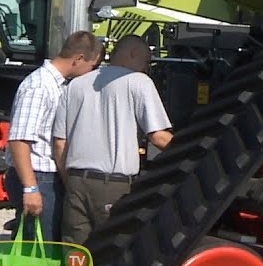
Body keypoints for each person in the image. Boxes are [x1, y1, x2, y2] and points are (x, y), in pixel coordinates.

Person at [53, 34, 173, 246]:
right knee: (112, 253)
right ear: (133, 53)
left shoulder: (75, 85)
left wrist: (69, 181)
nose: (146, 68)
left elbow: (60, 143)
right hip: (113, 185)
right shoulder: (139, 82)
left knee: (76, 255)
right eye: (146, 61)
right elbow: (158, 137)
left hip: (76, 182)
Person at [4, 31, 104, 242]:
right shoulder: (40, 86)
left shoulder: (56, 85)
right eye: (92, 67)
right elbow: (19, 139)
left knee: (46, 242)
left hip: (45, 177)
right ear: (78, 59)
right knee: (41, 247)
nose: (91, 73)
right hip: (38, 176)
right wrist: (31, 188)